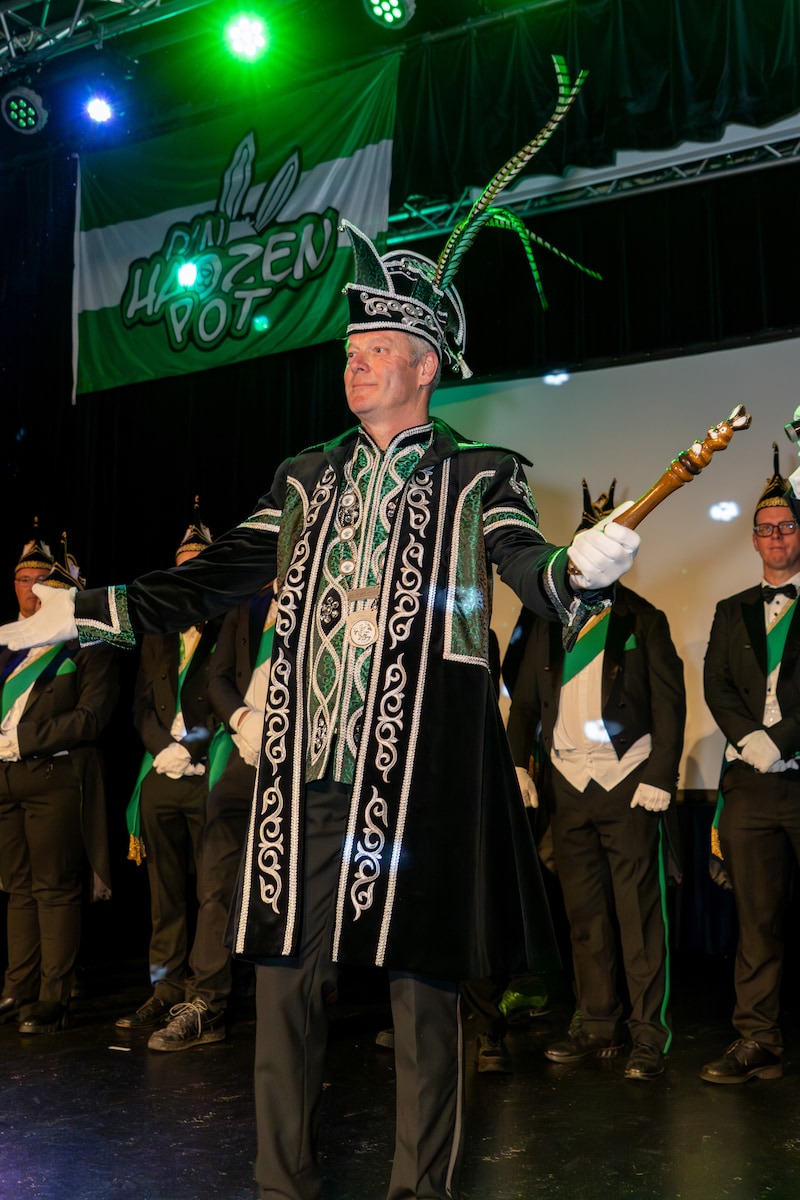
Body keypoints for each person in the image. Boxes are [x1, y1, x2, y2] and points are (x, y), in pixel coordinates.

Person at [0, 98, 641, 1193]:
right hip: (303, 773)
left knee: (421, 994)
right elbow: (210, 580)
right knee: (284, 987)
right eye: (350, 350)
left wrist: (574, 574)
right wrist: (86, 608)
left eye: (380, 350)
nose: (357, 365)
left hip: (419, 778)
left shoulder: (474, 473)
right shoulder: (304, 478)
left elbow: (523, 559)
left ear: (426, 366)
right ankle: (280, 1185)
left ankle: (414, 1189)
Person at [506, 480, 685, 1082]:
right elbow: (524, 705)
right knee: (583, 915)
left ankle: (648, 1035)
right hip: (566, 787)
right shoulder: (542, 622)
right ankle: (597, 1022)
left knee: (638, 915)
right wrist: (516, 765)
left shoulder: (646, 619)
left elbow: (670, 706)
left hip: (629, 784)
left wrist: (661, 773)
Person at [700, 448, 800, 1084]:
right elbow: (716, 686)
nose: (775, 538)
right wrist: (749, 738)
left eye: (786, 526)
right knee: (755, 922)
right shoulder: (730, 608)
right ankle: (758, 1040)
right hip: (750, 788)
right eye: (765, 529)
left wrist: (782, 738)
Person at [146, 581, 277, 1051]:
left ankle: (293, 1004)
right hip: (245, 753)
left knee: (294, 883)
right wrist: (243, 720)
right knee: (215, 882)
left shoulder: (332, 596)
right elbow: (217, 677)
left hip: (306, 759)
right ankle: (207, 1003)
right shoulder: (248, 603)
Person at [0, 531, 118, 1034]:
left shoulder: (84, 639)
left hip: (52, 774)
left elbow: (90, 718)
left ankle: (54, 996)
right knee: (18, 888)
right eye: (22, 581)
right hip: (5, 779)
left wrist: (24, 738)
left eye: (39, 581)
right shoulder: (6, 641)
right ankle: (17, 987)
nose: (30, 591)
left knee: (53, 887)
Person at [115, 506, 223, 1034]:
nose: (187, 572)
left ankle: (204, 992)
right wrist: (162, 749)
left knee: (210, 889)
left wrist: (195, 747)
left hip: (207, 772)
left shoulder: (231, 622)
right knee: (164, 890)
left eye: (196, 563)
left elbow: (235, 695)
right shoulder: (158, 630)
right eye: (181, 564)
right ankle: (165, 986)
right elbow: (140, 706)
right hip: (162, 771)